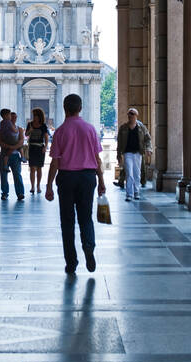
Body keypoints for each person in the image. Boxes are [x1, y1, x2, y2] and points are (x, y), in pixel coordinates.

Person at [45, 93, 105, 274]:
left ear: (65, 108)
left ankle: (71, 262)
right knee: (86, 217)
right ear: (80, 109)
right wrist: (101, 180)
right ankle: (88, 246)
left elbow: (55, 162)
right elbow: (97, 159)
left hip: (67, 178)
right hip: (87, 177)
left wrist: (48, 186)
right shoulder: (90, 129)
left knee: (67, 221)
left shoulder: (60, 132)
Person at [117, 107, 153, 202]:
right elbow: (119, 142)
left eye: (132, 114)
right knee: (129, 173)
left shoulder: (141, 127)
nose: (130, 115)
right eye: (129, 113)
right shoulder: (123, 128)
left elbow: (148, 139)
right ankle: (129, 194)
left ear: (136, 116)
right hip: (127, 153)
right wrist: (118, 155)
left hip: (138, 153)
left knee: (137, 174)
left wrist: (149, 149)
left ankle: (136, 192)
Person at [0, 107, 25, 201]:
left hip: (15, 155)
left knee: (17, 174)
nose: (13, 119)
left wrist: (12, 147)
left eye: (15, 117)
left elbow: (21, 141)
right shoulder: (3, 128)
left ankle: (20, 193)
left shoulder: (19, 129)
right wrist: (9, 147)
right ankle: (4, 193)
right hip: (5, 153)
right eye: (12, 117)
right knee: (4, 175)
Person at [26, 107, 50, 194]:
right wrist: (30, 130)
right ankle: (32, 186)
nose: (34, 117)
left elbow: (46, 137)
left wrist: (46, 146)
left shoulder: (43, 125)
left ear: (39, 116)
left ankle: (38, 186)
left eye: (35, 115)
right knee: (32, 168)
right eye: (33, 115)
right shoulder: (30, 124)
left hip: (40, 148)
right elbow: (26, 134)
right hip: (32, 148)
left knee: (39, 168)